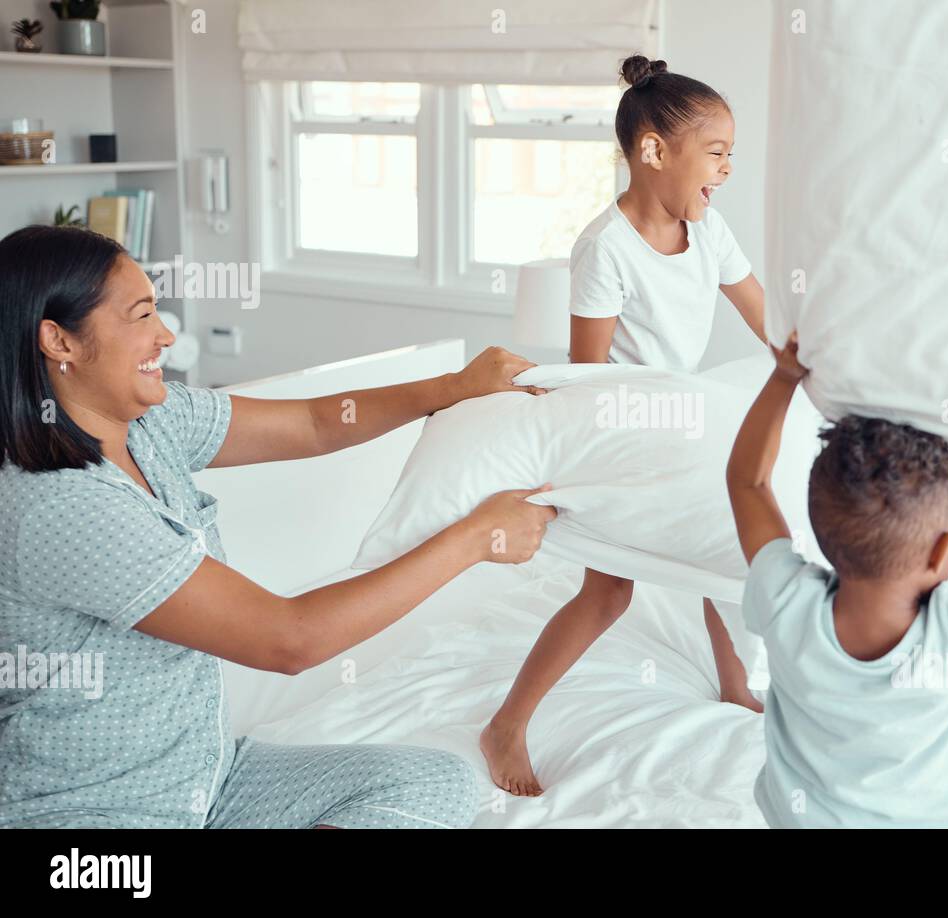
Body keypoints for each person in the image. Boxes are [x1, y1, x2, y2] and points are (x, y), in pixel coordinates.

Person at [0, 224, 556, 828]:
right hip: (96, 819)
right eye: (140, 316)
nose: (164, 335)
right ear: (60, 341)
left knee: (433, 783)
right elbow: (288, 640)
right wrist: (474, 539)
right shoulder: (59, 506)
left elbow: (317, 423)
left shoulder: (148, 422)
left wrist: (452, 387)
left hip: (206, 779)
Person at [479, 54, 768, 796]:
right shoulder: (604, 248)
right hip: (629, 425)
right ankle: (507, 724)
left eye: (732, 153)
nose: (728, 168)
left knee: (717, 539)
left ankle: (734, 682)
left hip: (686, 414)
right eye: (717, 151)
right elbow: (589, 374)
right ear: (653, 152)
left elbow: (765, 317)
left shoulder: (710, 232)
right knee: (609, 592)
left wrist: (817, 366)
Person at [725, 334, 948, 827]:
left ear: (819, 531)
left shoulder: (784, 599)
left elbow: (747, 481)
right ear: (946, 549)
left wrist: (784, 378)